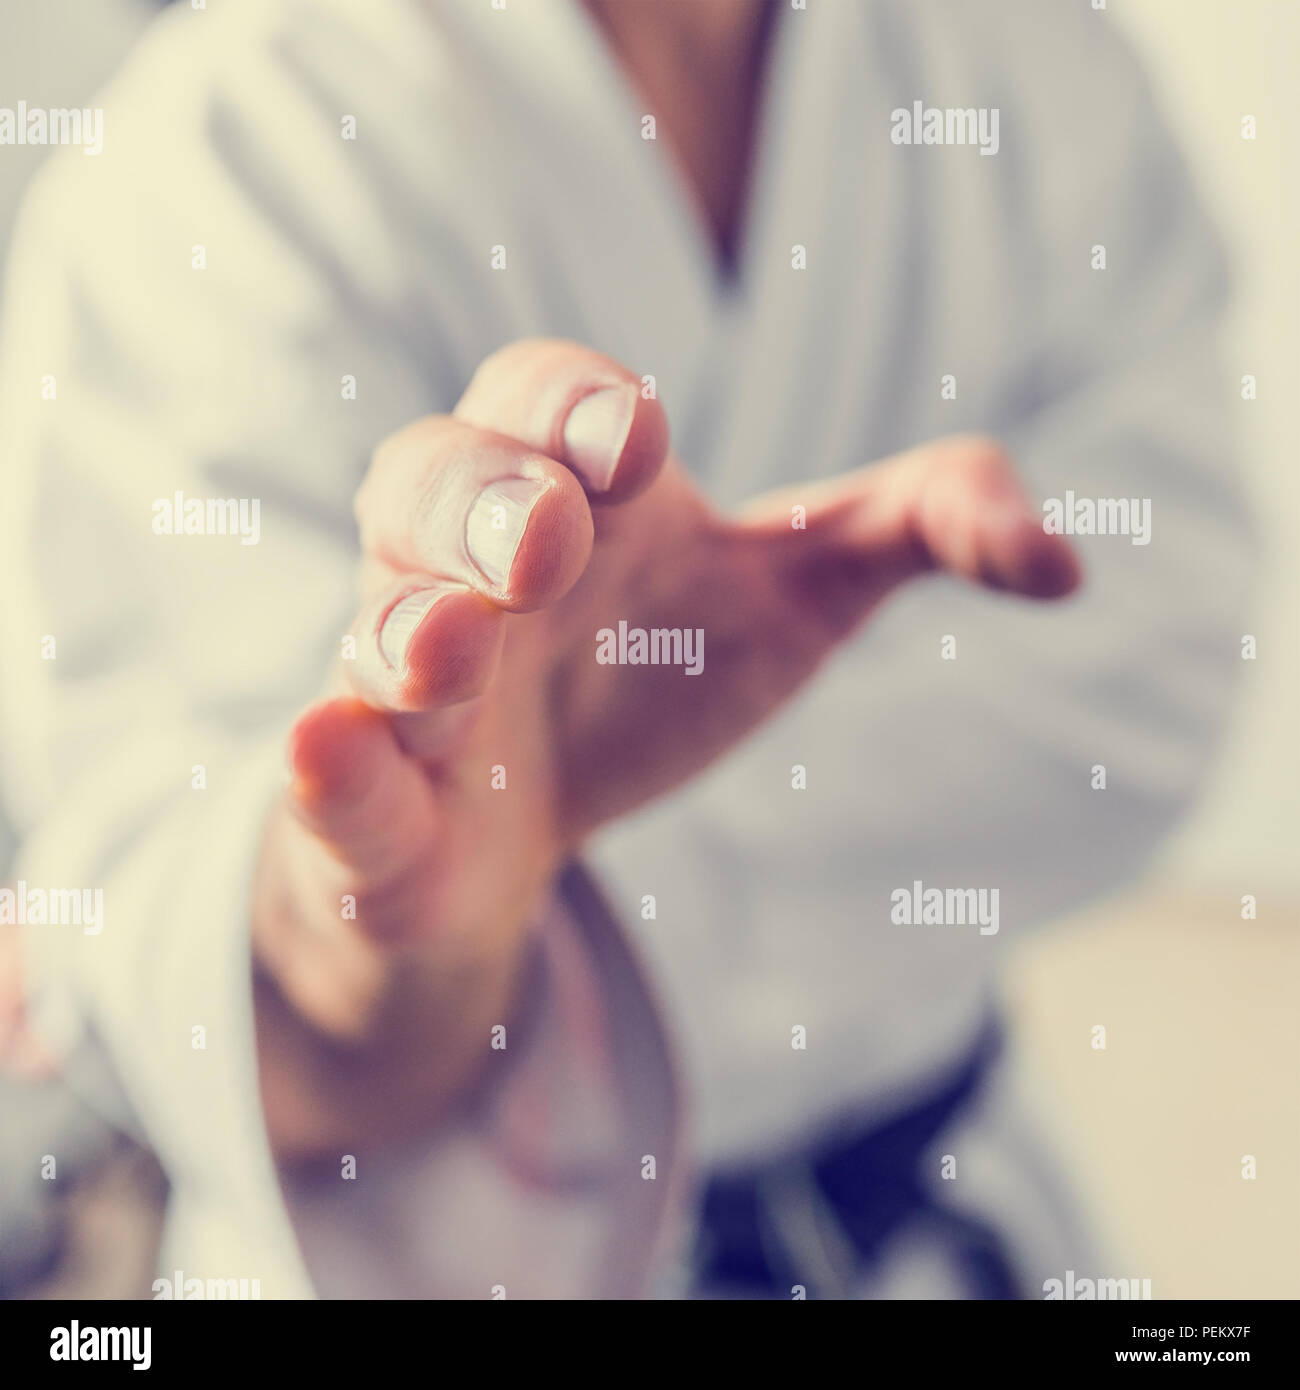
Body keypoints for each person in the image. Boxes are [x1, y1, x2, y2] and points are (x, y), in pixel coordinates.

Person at [0, 0, 1251, 1298]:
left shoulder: (1032, 64)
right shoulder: (223, 149)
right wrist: (400, 926)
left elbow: (1158, 690)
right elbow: (184, 992)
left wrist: (557, 912)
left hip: (950, 1210)